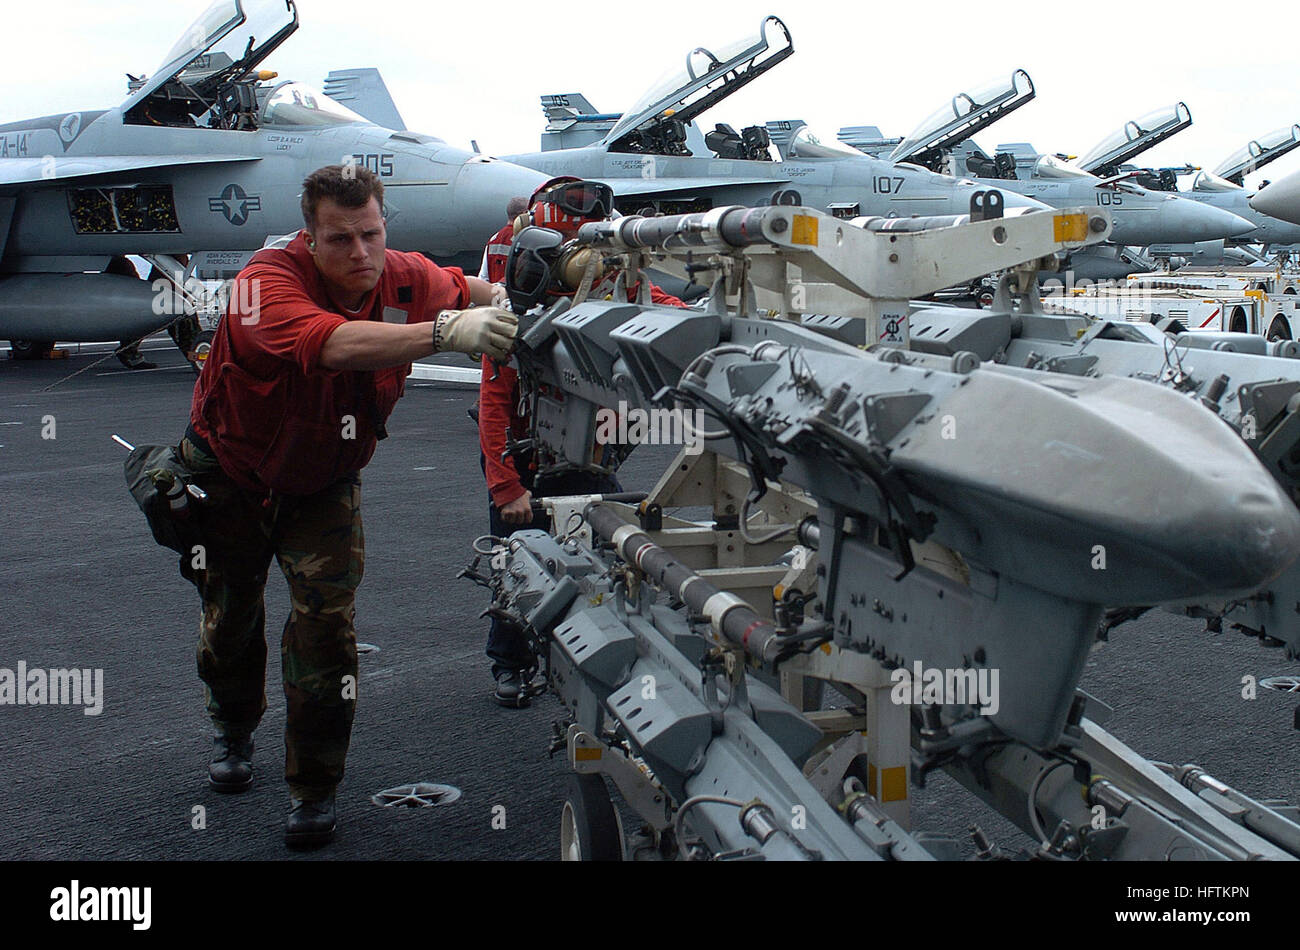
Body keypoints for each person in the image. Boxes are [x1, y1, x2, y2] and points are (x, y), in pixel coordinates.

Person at [176, 164, 516, 847]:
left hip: (324, 483)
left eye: (371, 235)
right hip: (233, 477)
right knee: (230, 621)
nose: (359, 254)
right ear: (309, 237)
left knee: (326, 630)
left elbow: (478, 288)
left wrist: (516, 298)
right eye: (339, 240)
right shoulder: (264, 285)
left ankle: (314, 788)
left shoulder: (403, 274)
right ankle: (233, 729)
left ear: (384, 226)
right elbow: (332, 345)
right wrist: (450, 333)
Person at [479, 177, 684, 706]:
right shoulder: (516, 310)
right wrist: (506, 488)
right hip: (524, 457)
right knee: (513, 554)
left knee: (606, 553)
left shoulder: (612, 285)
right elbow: (495, 402)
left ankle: (591, 656)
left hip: (590, 456)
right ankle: (510, 661)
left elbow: (665, 308)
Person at [468, 196, 530, 424]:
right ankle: (490, 411)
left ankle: (485, 406)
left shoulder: (494, 239)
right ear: (524, 214)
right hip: (518, 311)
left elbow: (482, 278)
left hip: (495, 310)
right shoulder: (529, 239)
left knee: (494, 366)